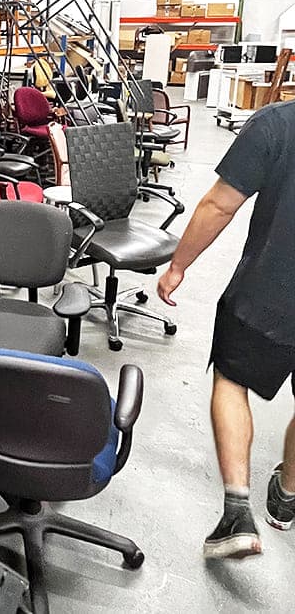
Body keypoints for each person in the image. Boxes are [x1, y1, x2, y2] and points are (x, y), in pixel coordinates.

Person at [157, 101, 295, 560]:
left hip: (271, 290)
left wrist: (178, 266)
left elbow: (220, 204)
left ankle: (237, 511)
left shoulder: (277, 124)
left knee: (232, 381)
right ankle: (288, 493)